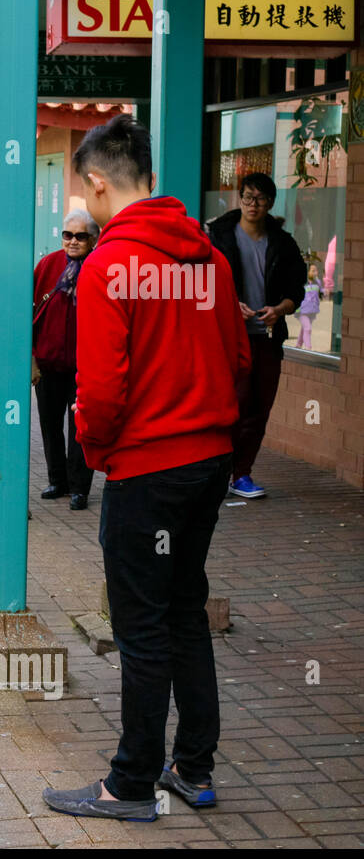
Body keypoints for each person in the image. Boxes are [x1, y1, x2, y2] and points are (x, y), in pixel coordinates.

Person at [42, 114, 249, 822]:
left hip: (146, 470)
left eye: (86, 191)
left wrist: (96, 459)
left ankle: (130, 784)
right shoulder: (211, 260)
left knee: (143, 625)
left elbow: (98, 393)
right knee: (185, 609)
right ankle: (194, 767)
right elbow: (241, 360)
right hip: (207, 464)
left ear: (98, 182)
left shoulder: (106, 266)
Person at [206, 171, 306, 500]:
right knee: (231, 405)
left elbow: (297, 291)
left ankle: (242, 473)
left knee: (259, 407)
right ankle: (218, 473)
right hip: (227, 337)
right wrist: (229, 303)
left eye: (260, 199)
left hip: (267, 335)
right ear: (240, 198)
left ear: (270, 203)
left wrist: (279, 309)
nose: (253, 204)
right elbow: (201, 284)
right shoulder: (218, 235)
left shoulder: (283, 243)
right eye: (247, 197)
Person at [33, 208, 98, 511]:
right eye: (67, 235)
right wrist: (32, 358)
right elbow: (30, 312)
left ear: (94, 239)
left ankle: (79, 487)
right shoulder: (47, 265)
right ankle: (57, 480)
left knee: (80, 429)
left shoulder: (100, 268)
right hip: (48, 363)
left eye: (80, 236)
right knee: (49, 425)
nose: (72, 241)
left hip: (85, 366)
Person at [297, 262, 322, 348]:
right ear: (307, 272)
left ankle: (298, 345)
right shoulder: (302, 283)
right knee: (308, 328)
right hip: (302, 311)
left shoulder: (317, 282)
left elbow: (320, 292)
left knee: (304, 328)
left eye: (316, 271)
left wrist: (325, 291)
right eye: (313, 271)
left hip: (312, 310)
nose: (315, 273)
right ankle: (308, 348)